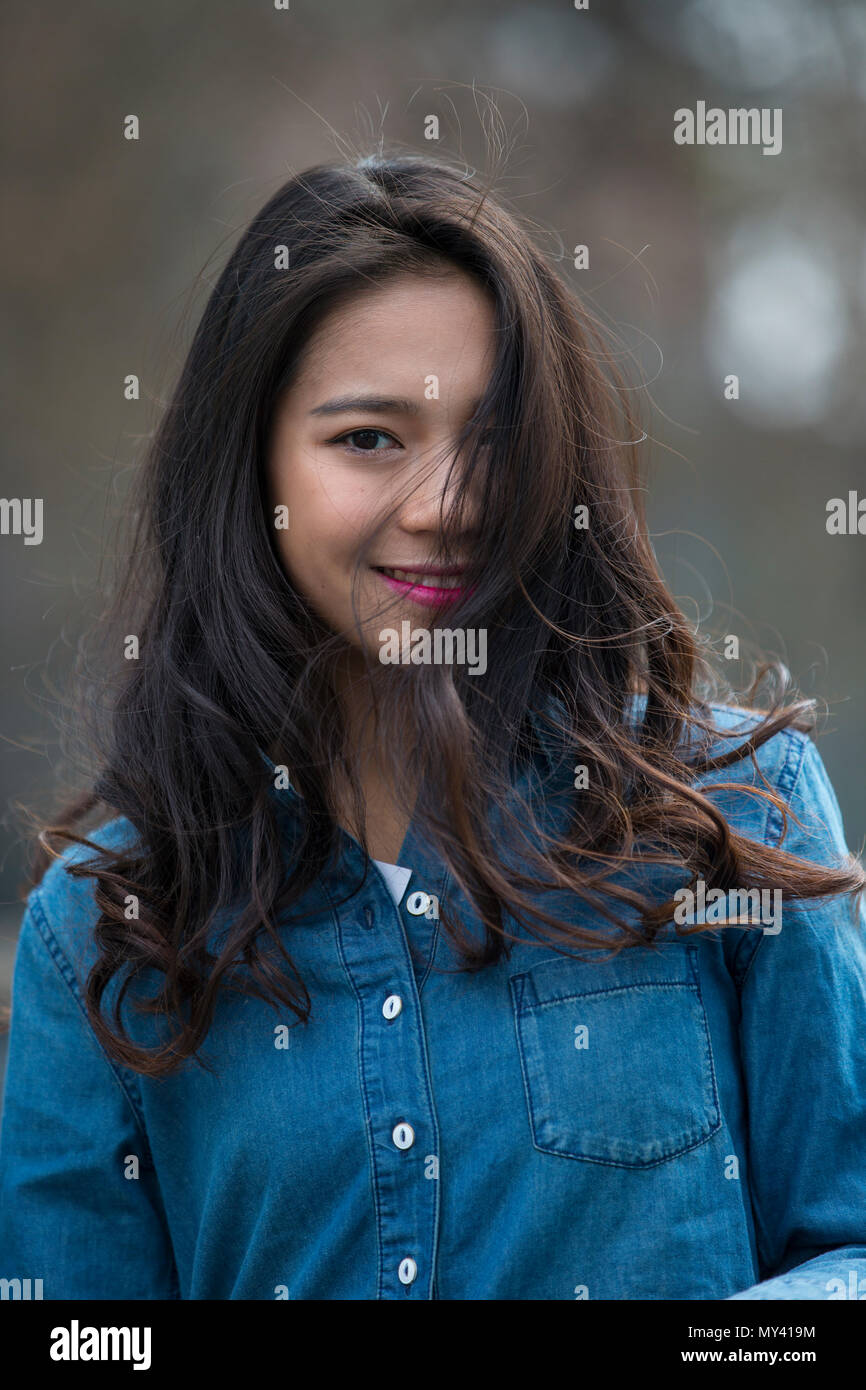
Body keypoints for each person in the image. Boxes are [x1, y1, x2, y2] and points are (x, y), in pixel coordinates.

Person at [1, 153, 865, 1301]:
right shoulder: (109, 928)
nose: (447, 504)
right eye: (368, 438)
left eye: (493, 440)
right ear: (248, 468)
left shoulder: (729, 815)